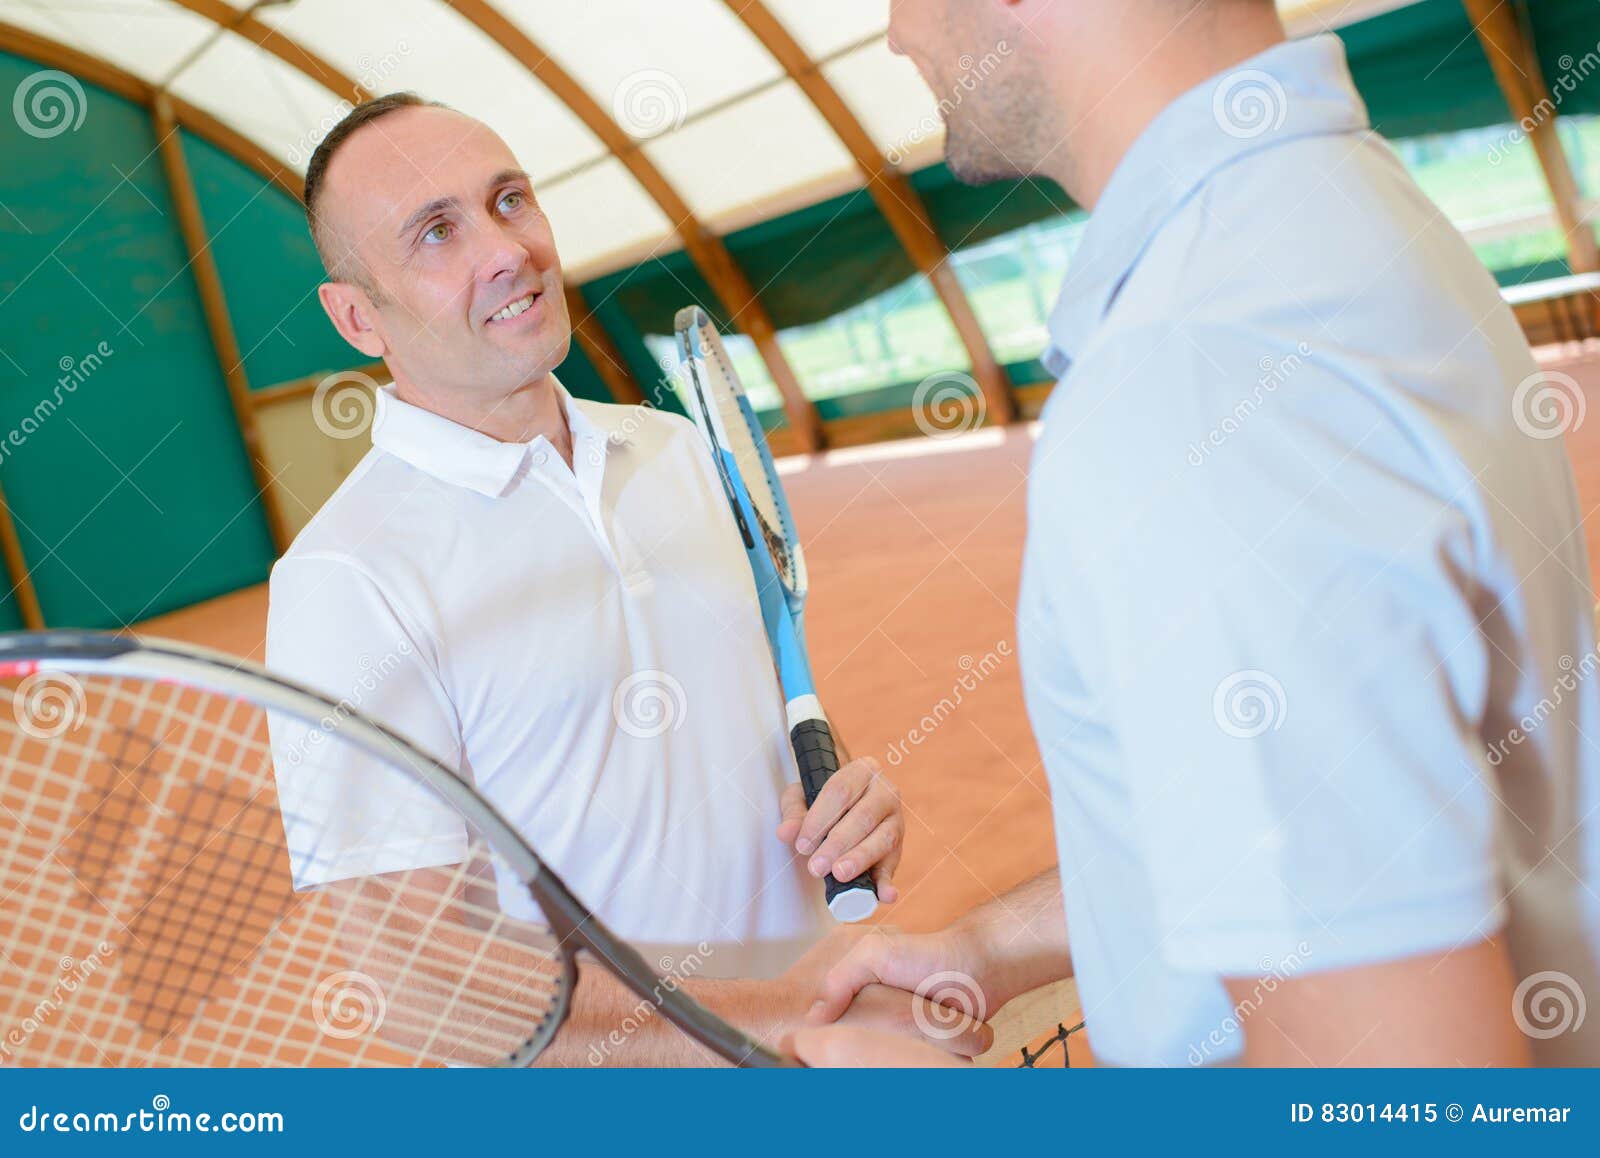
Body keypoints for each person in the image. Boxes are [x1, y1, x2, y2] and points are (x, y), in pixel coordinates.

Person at [796, 0, 1600, 1066]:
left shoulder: (1185, 368)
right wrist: (985, 946)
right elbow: (1360, 815)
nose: (897, 35)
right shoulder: (1338, 213)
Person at [265, 94, 985, 1065]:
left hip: (817, 1037)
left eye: (509, 199)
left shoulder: (677, 450)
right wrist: (775, 1026)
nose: (506, 249)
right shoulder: (343, 579)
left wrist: (839, 799)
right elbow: (426, 986)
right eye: (437, 231)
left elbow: (745, 723)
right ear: (357, 316)